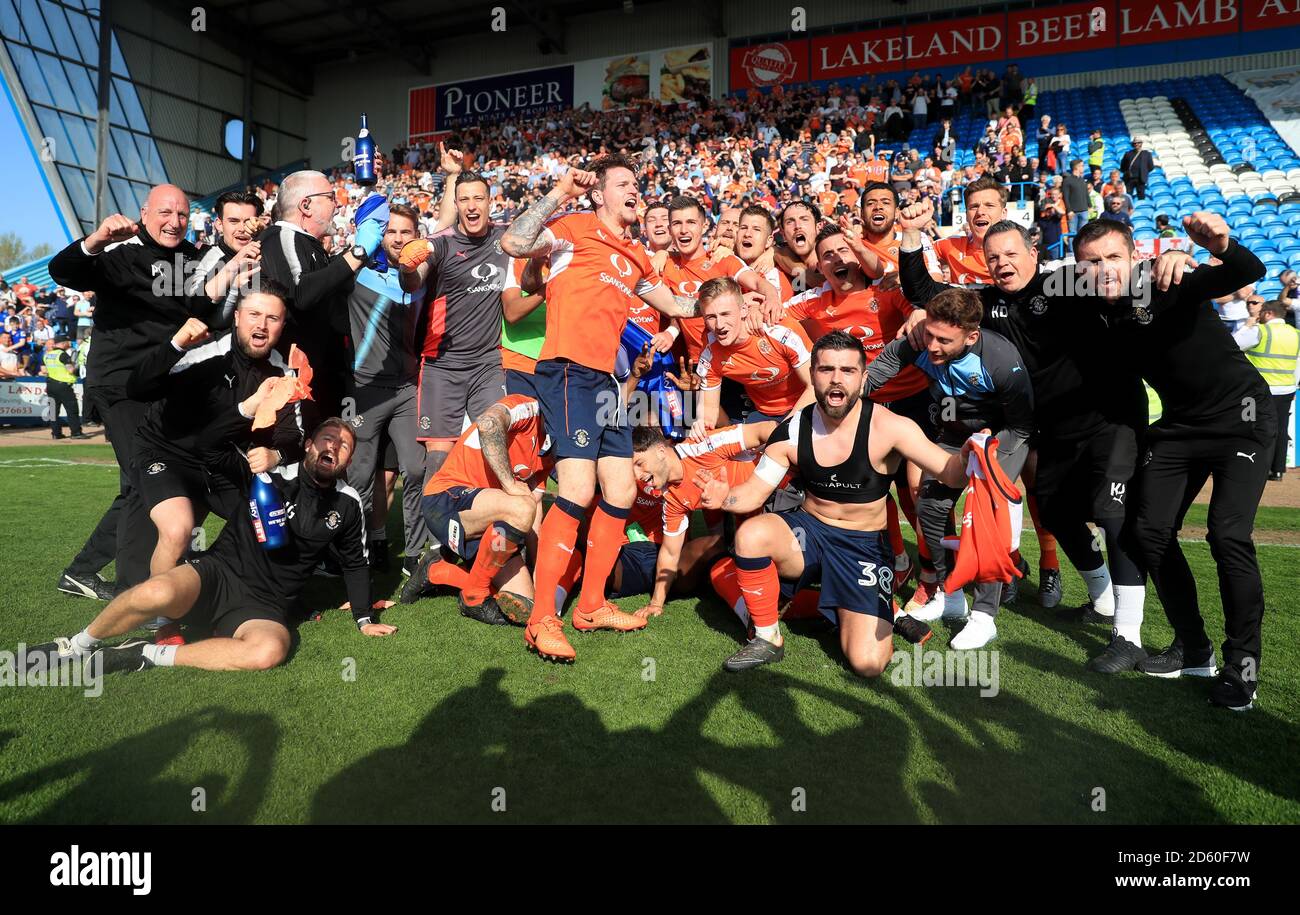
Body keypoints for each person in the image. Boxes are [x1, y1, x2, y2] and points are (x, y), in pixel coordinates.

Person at [897, 202, 1170, 668]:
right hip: (1052, 428)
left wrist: (1174, 262)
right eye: (993, 256)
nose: (1002, 263)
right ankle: (1103, 598)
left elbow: (1123, 279)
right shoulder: (986, 305)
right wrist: (908, 236)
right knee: (1059, 514)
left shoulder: (1065, 283)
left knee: (1110, 510)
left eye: (1011, 253)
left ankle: (1128, 635)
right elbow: (925, 289)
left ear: (1033, 251)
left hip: (1111, 419)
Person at [499, 154, 702, 662]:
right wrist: (561, 189)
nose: (635, 190)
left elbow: (679, 305)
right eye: (624, 183)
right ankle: (543, 617)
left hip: (609, 382)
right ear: (600, 193)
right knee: (577, 487)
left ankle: (590, 604)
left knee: (622, 486)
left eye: (638, 183)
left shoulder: (635, 257)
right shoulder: (574, 226)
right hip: (568, 371)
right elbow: (515, 242)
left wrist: (735, 298)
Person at [696, 331, 974, 674]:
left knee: (869, 663)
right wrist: (725, 497)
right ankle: (768, 639)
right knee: (751, 535)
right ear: (812, 375)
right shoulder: (793, 429)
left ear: (863, 377)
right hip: (810, 532)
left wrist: (969, 456)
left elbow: (951, 474)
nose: (836, 379)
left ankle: (848, 604)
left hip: (864, 547)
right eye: (826, 369)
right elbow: (753, 494)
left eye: (847, 370)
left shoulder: (891, 427)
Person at [28, 420, 393, 679]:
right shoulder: (268, 474)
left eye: (344, 445)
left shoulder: (347, 504)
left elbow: (355, 563)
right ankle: (77, 645)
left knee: (269, 651)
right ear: (310, 444)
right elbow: (218, 444)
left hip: (266, 604)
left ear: (348, 459)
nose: (334, 447)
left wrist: (363, 618)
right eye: (327, 439)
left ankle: (146, 654)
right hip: (218, 575)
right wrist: (269, 447)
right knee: (157, 589)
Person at [1078, 215, 1269, 708]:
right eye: (1091, 263)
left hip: (1241, 419)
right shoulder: (1094, 312)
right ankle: (1193, 647)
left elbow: (1249, 268)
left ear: (1134, 257)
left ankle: (1241, 666)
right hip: (1180, 428)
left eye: (1113, 258)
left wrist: (1218, 245)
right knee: (1149, 532)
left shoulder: (1169, 279)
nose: (1104, 270)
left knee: (1227, 535)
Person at [48, 184, 200, 598]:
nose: (174, 222)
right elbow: (64, 272)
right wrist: (96, 239)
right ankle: (135, 589)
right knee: (146, 479)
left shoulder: (191, 260)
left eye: (183, 214)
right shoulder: (122, 253)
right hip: (118, 387)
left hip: (162, 386)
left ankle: (82, 572)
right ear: (144, 213)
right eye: (165, 212)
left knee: (144, 481)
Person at [866, 287, 1034, 648]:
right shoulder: (919, 340)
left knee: (986, 510)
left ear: (971, 336)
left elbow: (1021, 426)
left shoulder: (1001, 360)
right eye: (929, 333)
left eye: (944, 339)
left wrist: (984, 451)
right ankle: (950, 596)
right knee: (929, 503)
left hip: (1000, 438)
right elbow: (875, 374)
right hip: (953, 435)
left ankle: (985, 616)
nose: (932, 346)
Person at [126, 284, 304, 580]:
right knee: (178, 530)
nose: (261, 325)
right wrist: (175, 345)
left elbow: (295, 436)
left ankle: (237, 591)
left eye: (272, 318)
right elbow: (137, 388)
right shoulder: (205, 354)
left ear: (282, 326)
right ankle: (163, 621)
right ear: (236, 317)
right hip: (168, 453)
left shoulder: (283, 373)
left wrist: (276, 454)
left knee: (271, 526)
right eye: (254, 314)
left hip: (218, 462)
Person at [399, 146, 512, 486]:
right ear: (457, 203)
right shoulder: (444, 244)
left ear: (491, 201)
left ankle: (495, 528)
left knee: (494, 441)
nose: (472, 206)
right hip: (441, 364)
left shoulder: (505, 238)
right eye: (464, 200)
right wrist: (407, 268)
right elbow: (415, 278)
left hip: (487, 363)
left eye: (478, 198)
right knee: (439, 453)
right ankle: (439, 536)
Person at [405, 394, 553, 625]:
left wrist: (539, 573)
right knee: (520, 506)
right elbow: (488, 424)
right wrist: (509, 483)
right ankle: (473, 597)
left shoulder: (553, 451)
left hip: (491, 519)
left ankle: (436, 570)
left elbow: (534, 510)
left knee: (524, 602)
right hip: (444, 499)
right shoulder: (527, 407)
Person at [343, 203, 434, 576]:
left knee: (416, 468)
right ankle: (362, 549)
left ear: (416, 236)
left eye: (406, 232)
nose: (398, 238)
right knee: (360, 475)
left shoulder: (420, 276)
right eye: (391, 231)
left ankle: (415, 553)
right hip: (363, 388)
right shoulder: (356, 272)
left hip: (407, 388)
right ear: (380, 235)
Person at [259, 169, 383, 418]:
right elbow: (301, 292)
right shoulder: (282, 236)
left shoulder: (308, 244)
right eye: (330, 197)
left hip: (327, 375)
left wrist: (370, 185)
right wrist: (357, 253)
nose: (337, 205)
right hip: (298, 382)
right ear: (305, 205)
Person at [691, 277, 814, 435]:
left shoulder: (779, 330)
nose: (719, 325)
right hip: (764, 416)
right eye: (711, 317)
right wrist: (701, 428)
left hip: (806, 405)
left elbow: (815, 386)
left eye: (725, 314)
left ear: (743, 310)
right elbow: (709, 411)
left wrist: (785, 429)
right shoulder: (710, 351)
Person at [1233, 299, 1297, 481]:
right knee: (1280, 430)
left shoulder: (1260, 331)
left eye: (1261, 313)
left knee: (1250, 425)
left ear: (1269, 313)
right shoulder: (1295, 333)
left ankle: (1250, 465)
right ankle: (1277, 470)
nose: (1258, 315)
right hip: (1286, 389)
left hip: (1258, 391)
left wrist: (1247, 324)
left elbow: (1233, 344)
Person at [188, 190, 264, 330]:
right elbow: (196, 313)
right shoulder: (208, 257)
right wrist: (233, 281)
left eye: (248, 222)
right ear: (219, 224)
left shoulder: (264, 252)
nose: (242, 229)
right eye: (233, 221)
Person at [42, 335, 86, 440]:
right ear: (62, 343)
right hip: (63, 386)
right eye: (67, 342)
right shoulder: (63, 355)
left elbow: (45, 371)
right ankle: (76, 432)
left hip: (51, 384)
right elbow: (70, 370)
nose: (69, 343)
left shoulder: (47, 355)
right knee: (72, 409)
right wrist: (77, 366)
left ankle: (56, 433)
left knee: (53, 411)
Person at [1061, 160, 1091, 237]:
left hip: (1084, 210)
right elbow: (1065, 197)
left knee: (1083, 234)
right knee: (1073, 233)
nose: (1083, 167)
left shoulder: (1082, 180)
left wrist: (1090, 205)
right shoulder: (1067, 180)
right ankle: (1072, 249)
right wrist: (1069, 210)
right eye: (1082, 166)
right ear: (1076, 167)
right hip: (1073, 212)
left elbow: (1086, 194)